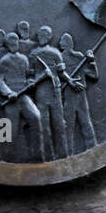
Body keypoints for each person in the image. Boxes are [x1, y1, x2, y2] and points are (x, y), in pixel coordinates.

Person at [0, 31, 43, 160]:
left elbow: (27, 75)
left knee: (36, 118)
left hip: (23, 96)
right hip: (10, 99)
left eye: (15, 41)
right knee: (8, 129)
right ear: (7, 45)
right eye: (11, 43)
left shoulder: (24, 59)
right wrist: (8, 92)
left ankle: (37, 154)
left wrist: (30, 81)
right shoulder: (4, 61)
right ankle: (6, 157)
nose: (14, 44)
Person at [30, 25, 68, 160]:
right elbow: (30, 74)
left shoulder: (56, 53)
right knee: (44, 124)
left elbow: (62, 73)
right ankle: (48, 155)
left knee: (58, 123)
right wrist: (33, 81)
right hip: (40, 91)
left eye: (44, 35)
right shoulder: (34, 54)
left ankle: (63, 154)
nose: (41, 38)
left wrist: (70, 81)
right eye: (39, 35)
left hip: (55, 90)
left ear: (49, 37)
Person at [59, 31, 98, 153]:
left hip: (79, 95)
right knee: (77, 124)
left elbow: (94, 75)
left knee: (77, 124)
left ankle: (73, 152)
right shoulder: (60, 59)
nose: (59, 43)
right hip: (68, 95)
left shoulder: (78, 58)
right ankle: (88, 150)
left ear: (66, 44)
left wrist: (92, 61)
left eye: (62, 41)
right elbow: (94, 75)